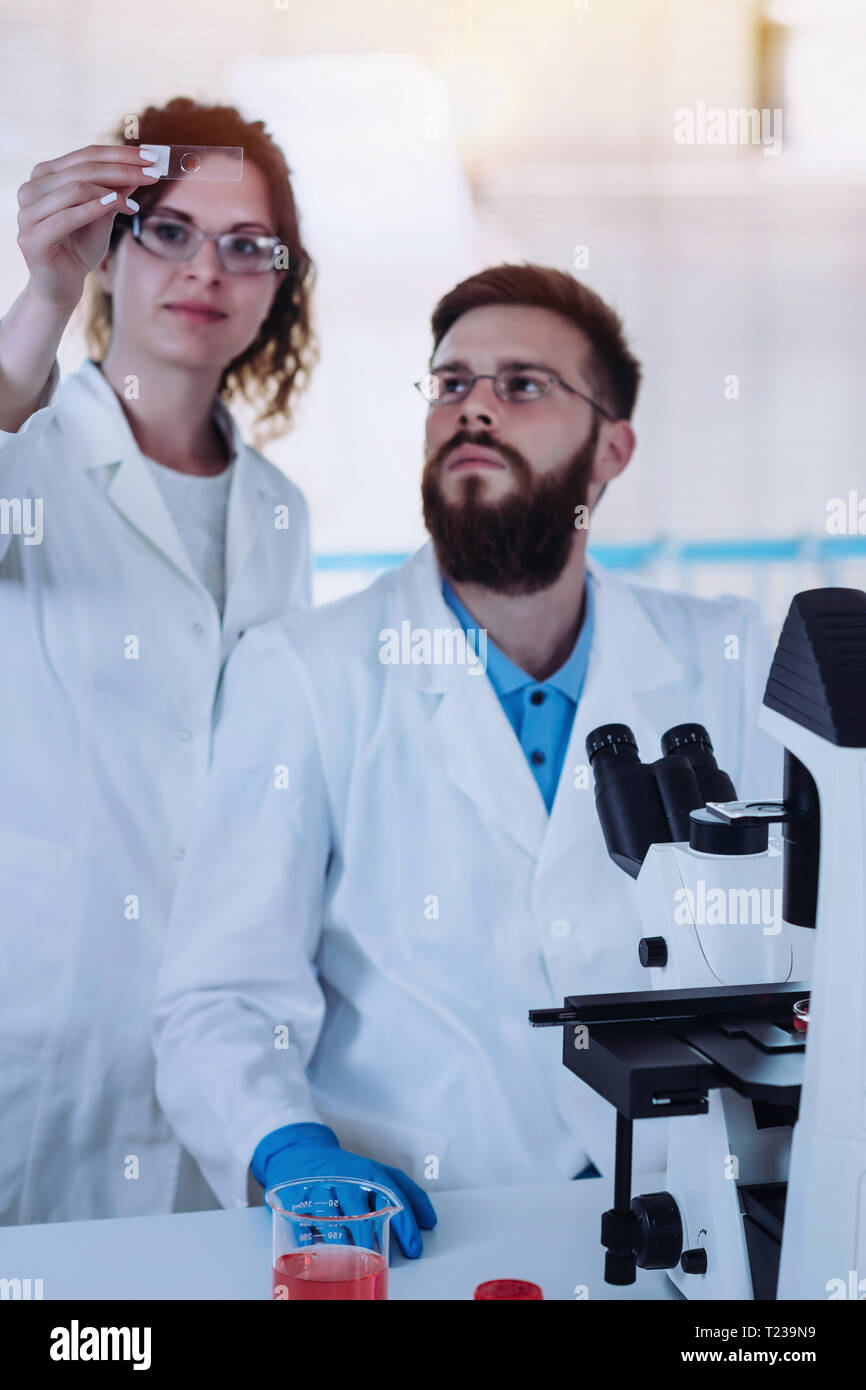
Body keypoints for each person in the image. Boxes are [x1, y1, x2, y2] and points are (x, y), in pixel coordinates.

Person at [152, 264, 783, 1260]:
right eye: (450, 384)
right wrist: (283, 1142)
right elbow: (221, 994)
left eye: (520, 384)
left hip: (687, 1214)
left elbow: (816, 942)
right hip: (420, 1230)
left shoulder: (726, 657)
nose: (473, 408)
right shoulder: (305, 673)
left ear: (610, 448)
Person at [0, 97, 316, 1225]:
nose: (206, 270)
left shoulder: (280, 516)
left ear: (280, 282)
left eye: (247, 246)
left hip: (209, 1053)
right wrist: (43, 293)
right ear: (110, 245)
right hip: (36, 1030)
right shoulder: (29, 461)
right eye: (168, 229)